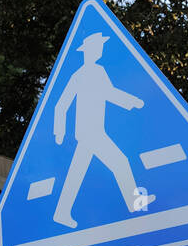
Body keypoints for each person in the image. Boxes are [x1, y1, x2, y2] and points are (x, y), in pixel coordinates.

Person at [51, 31, 152, 228]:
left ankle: (61, 212)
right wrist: (59, 131)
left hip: (94, 130)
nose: (100, 49)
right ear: (88, 51)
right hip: (89, 131)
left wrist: (132, 101)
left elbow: (109, 93)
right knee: (120, 162)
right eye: (97, 46)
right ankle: (134, 202)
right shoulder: (79, 75)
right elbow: (61, 104)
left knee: (77, 172)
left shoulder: (99, 71)